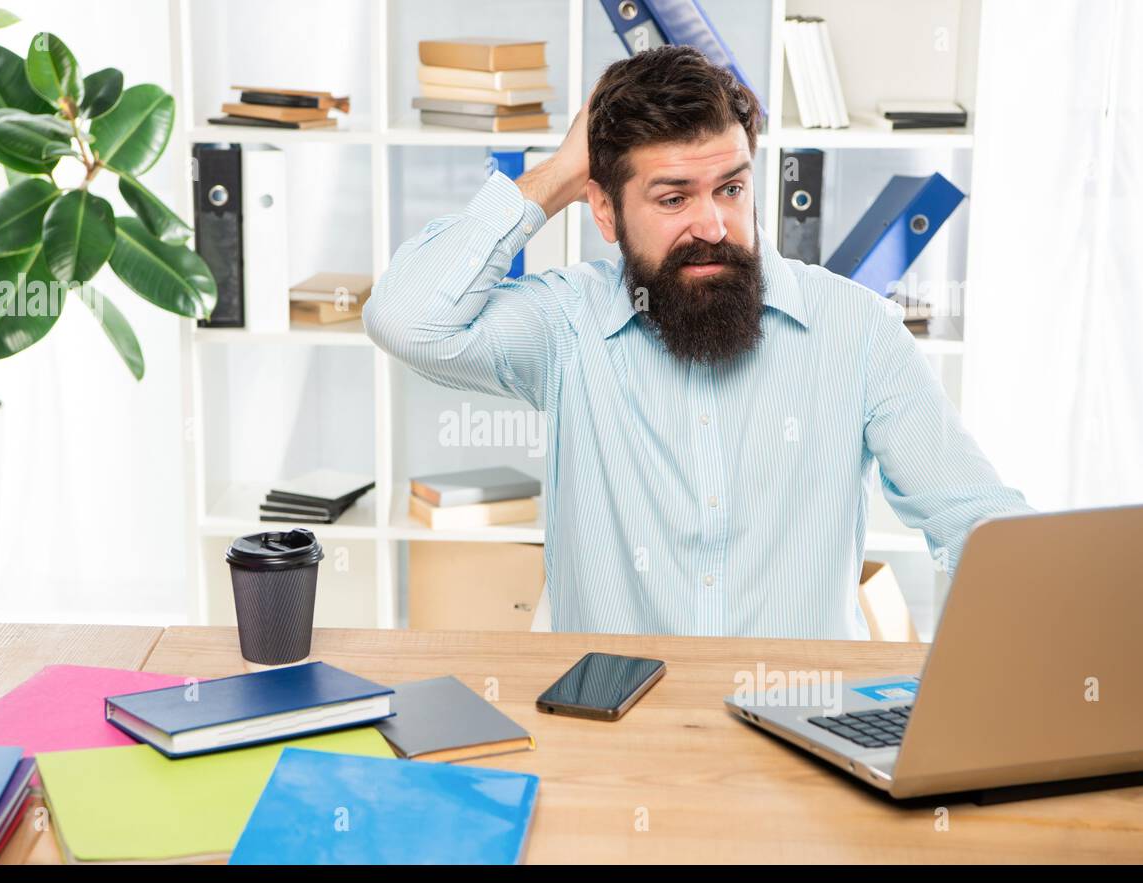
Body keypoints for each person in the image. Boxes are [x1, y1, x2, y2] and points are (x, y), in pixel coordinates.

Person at [363, 45, 1031, 639]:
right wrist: (559, 173)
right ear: (604, 209)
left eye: (731, 188)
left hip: (803, 718)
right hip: (614, 719)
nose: (712, 226)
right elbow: (407, 319)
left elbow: (974, 517)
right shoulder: (566, 324)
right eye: (673, 198)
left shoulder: (857, 331)